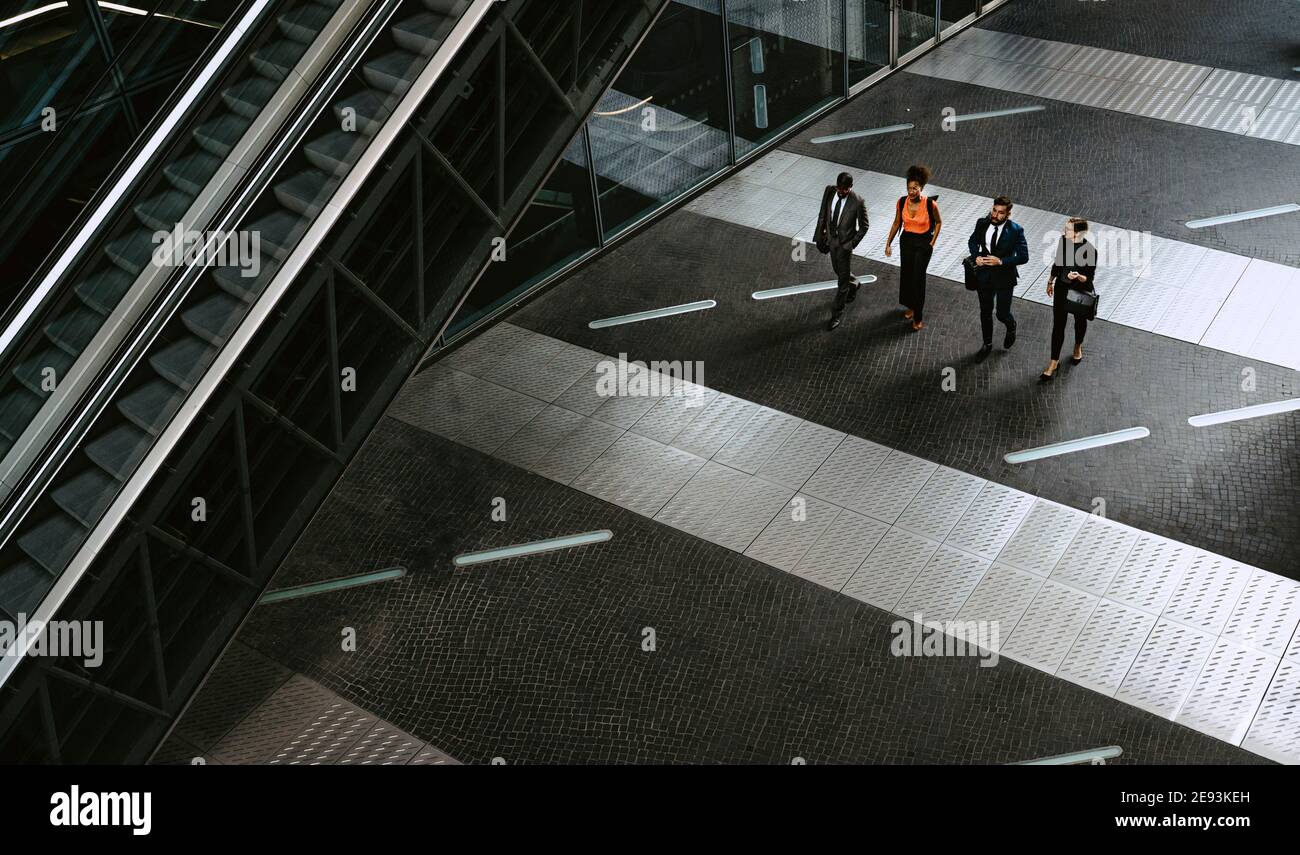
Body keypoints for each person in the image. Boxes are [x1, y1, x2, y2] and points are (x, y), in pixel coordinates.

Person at [967, 195, 1028, 361]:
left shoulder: (1016, 230)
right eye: (994, 210)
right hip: (984, 275)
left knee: (1002, 313)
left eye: (1000, 213)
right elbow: (972, 241)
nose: (995, 215)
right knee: (985, 312)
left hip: (1004, 278)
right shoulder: (982, 223)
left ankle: (1011, 324)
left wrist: (1001, 261)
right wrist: (976, 256)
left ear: (1007, 215)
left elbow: (1024, 256)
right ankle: (987, 344)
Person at [885, 164, 941, 331]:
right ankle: (910, 305)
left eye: (915, 188)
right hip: (907, 240)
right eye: (909, 188)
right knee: (907, 275)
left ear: (921, 188)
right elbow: (896, 223)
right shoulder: (901, 202)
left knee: (918, 277)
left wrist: (932, 242)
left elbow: (938, 222)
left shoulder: (930, 204)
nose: (912, 191)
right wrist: (888, 243)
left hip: (923, 242)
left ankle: (918, 315)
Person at [1040, 218, 1097, 381]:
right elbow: (1057, 264)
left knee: (1080, 321)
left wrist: (1079, 276)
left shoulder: (1090, 251)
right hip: (1062, 289)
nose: (1064, 232)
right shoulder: (1063, 242)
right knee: (1058, 325)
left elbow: (1090, 278)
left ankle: (1078, 346)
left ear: (1078, 233)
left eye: (1068, 230)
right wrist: (1050, 280)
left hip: (1079, 292)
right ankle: (1053, 361)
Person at [814, 171, 869, 331]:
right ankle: (855, 283)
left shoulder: (857, 202)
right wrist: (821, 233)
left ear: (850, 187)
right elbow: (823, 212)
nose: (841, 191)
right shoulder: (830, 191)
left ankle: (836, 314)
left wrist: (851, 244)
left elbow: (864, 226)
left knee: (842, 282)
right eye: (839, 188)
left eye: (845, 189)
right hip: (831, 241)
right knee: (838, 271)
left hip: (845, 246)